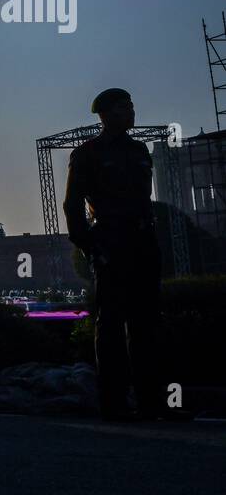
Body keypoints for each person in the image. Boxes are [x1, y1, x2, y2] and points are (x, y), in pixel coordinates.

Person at [63, 88, 180, 421]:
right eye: (122, 107)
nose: (130, 111)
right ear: (105, 115)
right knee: (111, 325)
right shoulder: (88, 154)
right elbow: (73, 206)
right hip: (111, 243)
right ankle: (114, 405)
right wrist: (90, 247)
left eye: (131, 105)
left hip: (142, 242)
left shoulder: (139, 150)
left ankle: (152, 403)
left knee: (147, 324)